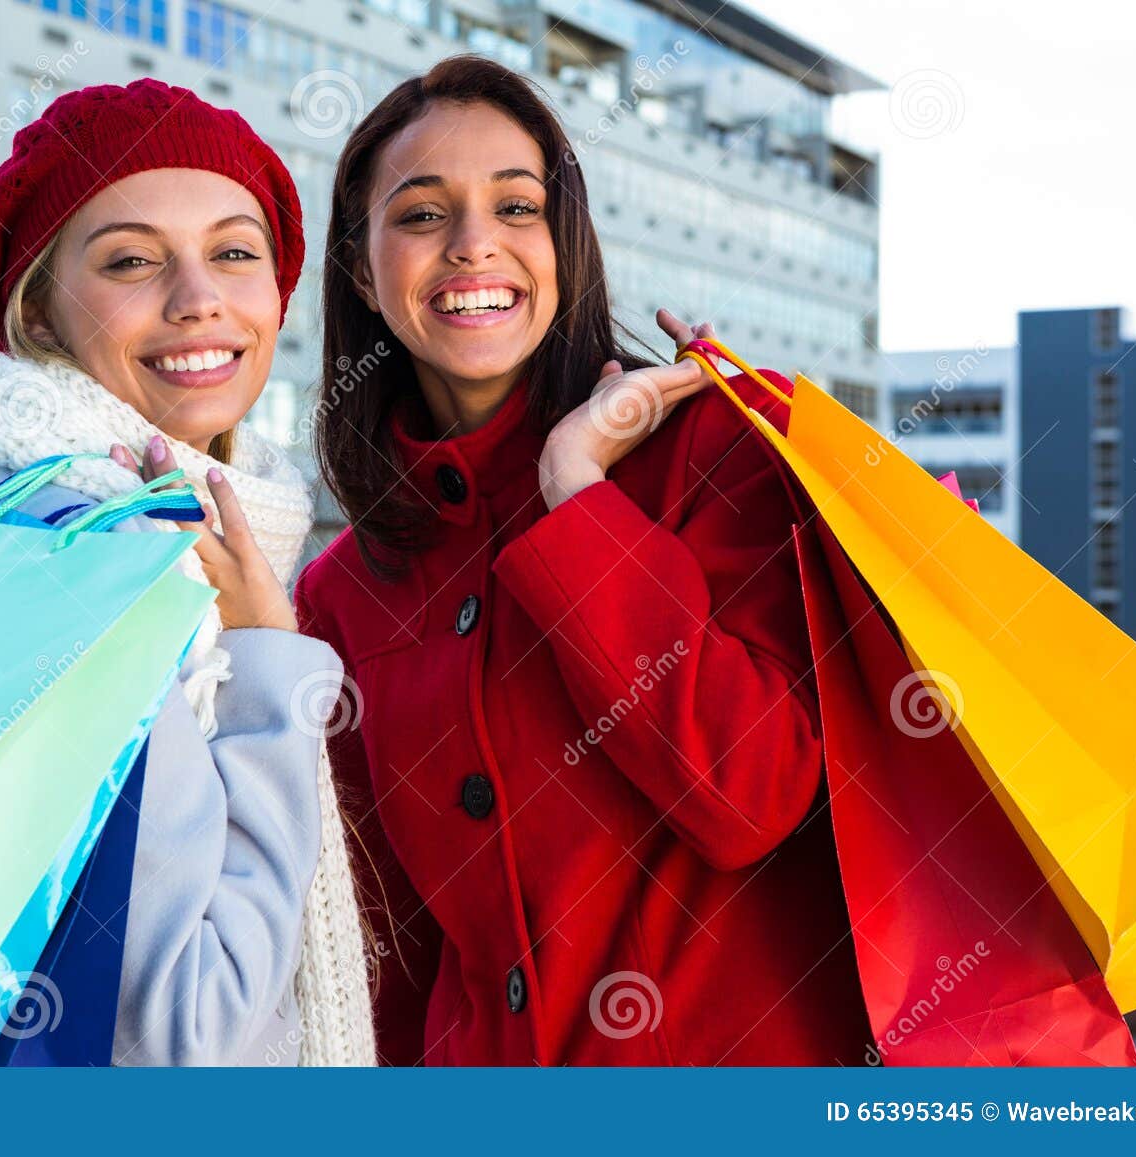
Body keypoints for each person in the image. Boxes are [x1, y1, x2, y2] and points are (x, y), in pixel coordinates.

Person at [295, 55, 874, 1066]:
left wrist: (580, 493)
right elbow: (382, 947)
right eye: (422, 216)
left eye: (516, 207)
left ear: (561, 243)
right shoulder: (340, 589)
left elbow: (749, 796)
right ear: (359, 268)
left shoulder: (714, 452)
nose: (475, 244)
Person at [0, 78, 374, 1066]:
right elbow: (191, 1026)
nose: (198, 298)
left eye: (233, 251)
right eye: (132, 261)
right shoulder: (95, 557)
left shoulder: (46, 516)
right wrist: (268, 663)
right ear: (39, 315)